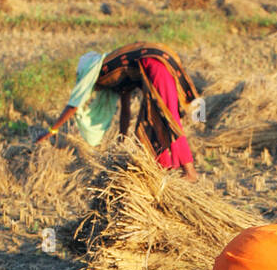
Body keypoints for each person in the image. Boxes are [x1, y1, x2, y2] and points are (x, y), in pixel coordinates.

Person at [37, 42, 200, 179]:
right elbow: (125, 111)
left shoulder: (105, 71)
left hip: (156, 67)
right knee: (151, 121)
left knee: (168, 117)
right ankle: (164, 168)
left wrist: (52, 130)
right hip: (157, 66)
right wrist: (122, 141)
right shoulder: (118, 73)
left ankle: (189, 172)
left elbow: (74, 105)